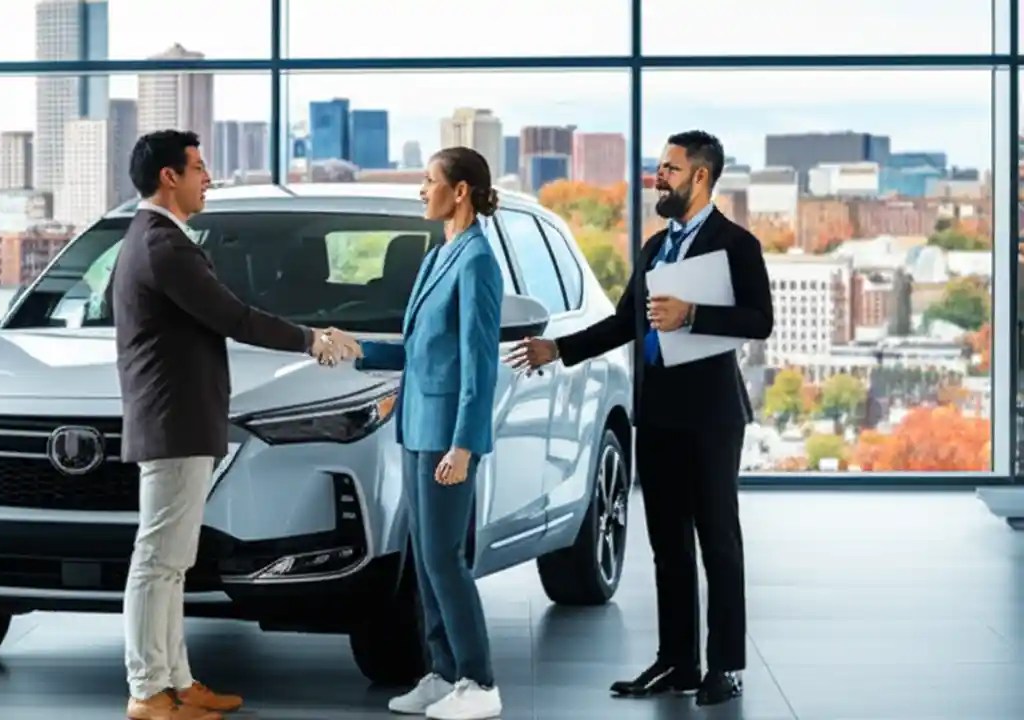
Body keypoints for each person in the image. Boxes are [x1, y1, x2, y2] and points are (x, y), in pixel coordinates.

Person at [507, 130, 773, 707]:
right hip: (658, 414)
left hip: (711, 417)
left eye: (669, 169)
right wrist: (559, 349)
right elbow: (625, 321)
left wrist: (693, 314)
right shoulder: (655, 248)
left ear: (700, 176)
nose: (659, 178)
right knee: (667, 543)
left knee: (718, 541)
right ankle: (677, 661)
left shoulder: (736, 244)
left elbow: (760, 321)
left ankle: (725, 666)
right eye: (659, 168)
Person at [111, 129, 358, 720]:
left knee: (172, 561)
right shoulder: (164, 245)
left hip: (180, 421)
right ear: (169, 177)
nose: (208, 178)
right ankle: (148, 690)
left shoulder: (153, 239)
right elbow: (233, 316)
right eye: (198, 168)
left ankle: (176, 682)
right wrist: (311, 339)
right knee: (159, 560)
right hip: (174, 422)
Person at [352, 147, 504, 720]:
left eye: (428, 180)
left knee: (445, 558)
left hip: (447, 436)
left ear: (459, 191)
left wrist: (464, 445)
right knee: (425, 560)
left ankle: (479, 682)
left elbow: (478, 364)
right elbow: (421, 351)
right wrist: (357, 348)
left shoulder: (477, 262)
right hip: (416, 427)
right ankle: (442, 674)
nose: (421, 190)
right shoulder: (439, 255)